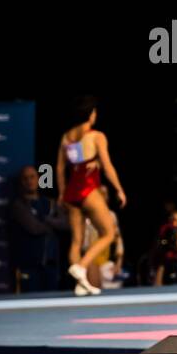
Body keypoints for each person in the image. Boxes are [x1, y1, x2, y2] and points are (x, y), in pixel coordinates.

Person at [56, 96, 126, 296]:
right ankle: (82, 266)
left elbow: (58, 169)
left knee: (76, 241)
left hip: (71, 191)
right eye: (94, 112)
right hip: (88, 189)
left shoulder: (66, 137)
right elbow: (107, 166)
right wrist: (119, 189)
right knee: (109, 233)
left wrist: (61, 192)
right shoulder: (97, 136)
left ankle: (81, 284)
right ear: (90, 114)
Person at [11, 164, 69, 293]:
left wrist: (46, 219)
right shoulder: (18, 205)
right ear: (21, 182)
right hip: (29, 266)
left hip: (51, 265)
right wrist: (53, 223)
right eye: (25, 178)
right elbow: (34, 228)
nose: (29, 181)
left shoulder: (50, 202)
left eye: (32, 177)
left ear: (38, 179)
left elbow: (66, 224)